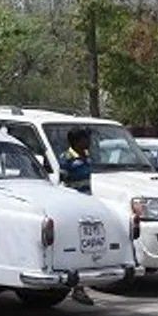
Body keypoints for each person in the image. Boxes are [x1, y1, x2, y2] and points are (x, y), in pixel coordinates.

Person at [58, 127, 96, 306]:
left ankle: (80, 287)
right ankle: (74, 287)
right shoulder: (67, 159)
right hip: (73, 206)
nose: (88, 142)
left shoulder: (86, 155)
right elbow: (62, 183)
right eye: (85, 139)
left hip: (87, 204)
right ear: (76, 141)